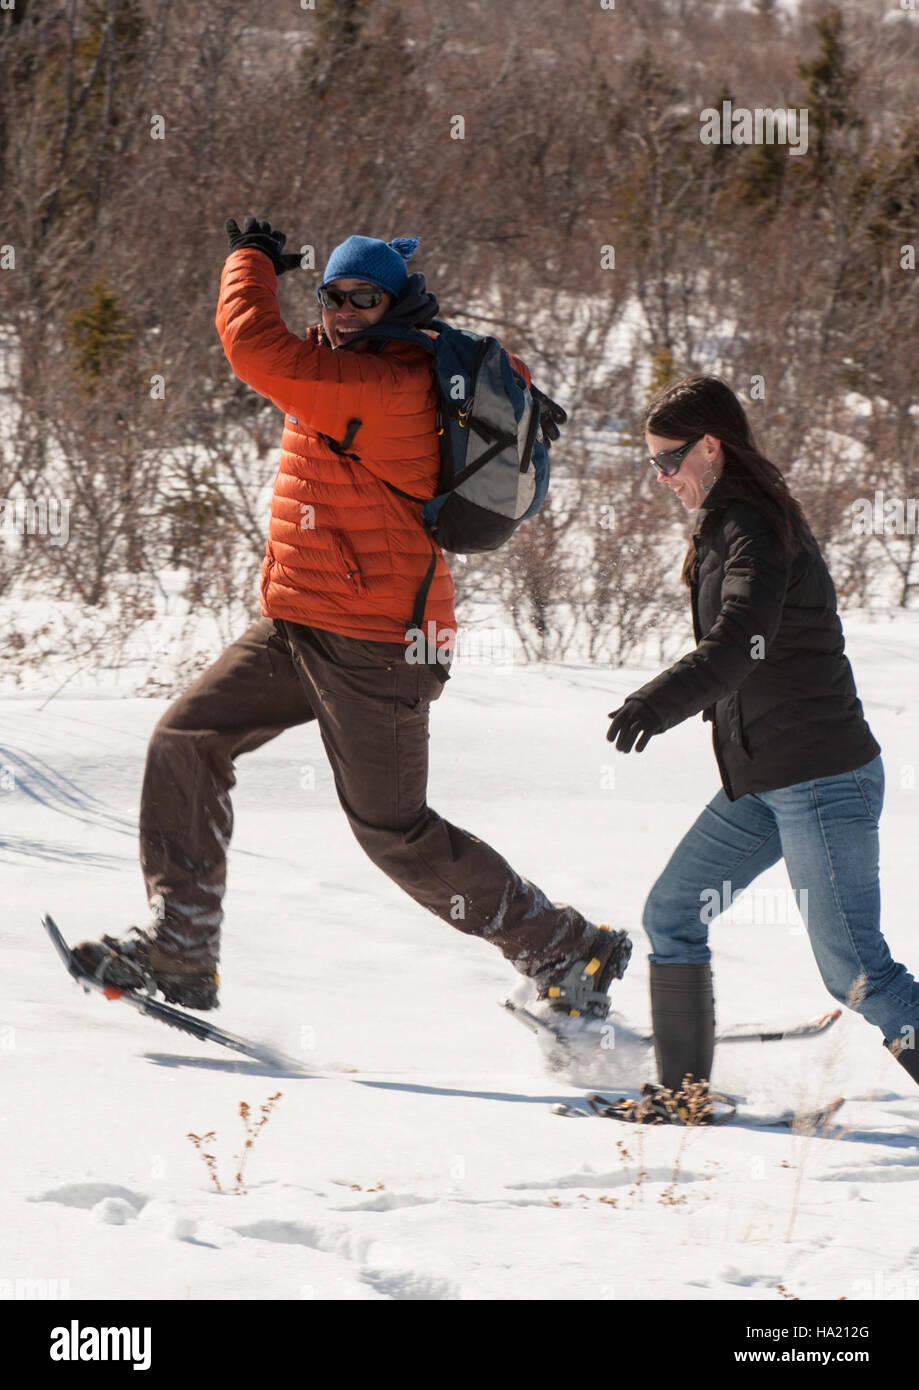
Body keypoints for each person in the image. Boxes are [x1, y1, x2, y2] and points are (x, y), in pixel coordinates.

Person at [74, 219, 630, 1019]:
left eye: (363, 299)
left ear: (395, 304)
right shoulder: (345, 369)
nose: (343, 312)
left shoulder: (385, 384)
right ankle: (182, 947)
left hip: (379, 644)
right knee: (187, 739)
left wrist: (250, 260)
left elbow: (251, 350)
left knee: (394, 831)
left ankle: (566, 949)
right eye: (332, 297)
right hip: (301, 623)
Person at [605, 374, 919, 1109]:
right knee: (673, 914)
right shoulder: (726, 523)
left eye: (668, 459)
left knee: (852, 969)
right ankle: (683, 1095)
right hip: (763, 780)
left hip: (820, 775)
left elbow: (738, 642)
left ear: (710, 446)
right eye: (650, 462)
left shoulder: (752, 526)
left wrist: (660, 700)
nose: (661, 476)